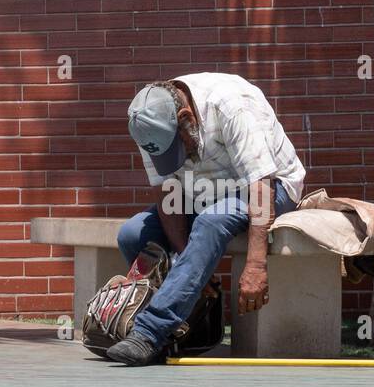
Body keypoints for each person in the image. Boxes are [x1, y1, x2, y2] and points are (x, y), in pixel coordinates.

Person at [108, 73, 306, 366]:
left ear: (186, 117)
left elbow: (261, 185)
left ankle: (150, 333)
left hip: (267, 188)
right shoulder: (147, 123)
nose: (179, 159)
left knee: (212, 220)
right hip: (203, 194)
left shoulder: (231, 106)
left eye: (181, 148)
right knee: (132, 233)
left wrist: (255, 265)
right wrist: (187, 257)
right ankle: (191, 324)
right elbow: (167, 193)